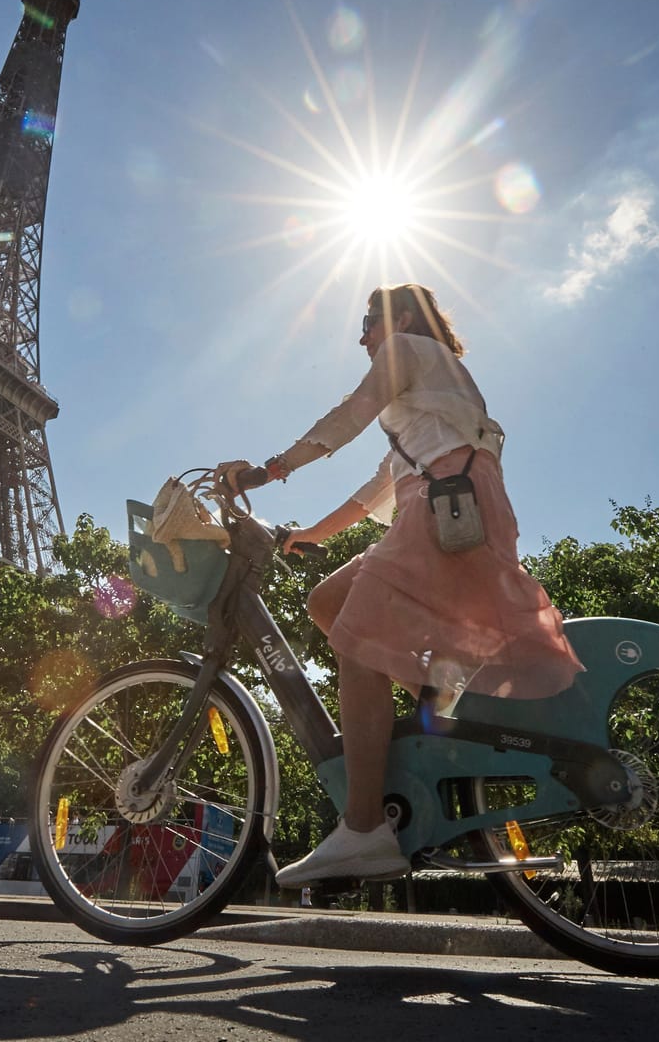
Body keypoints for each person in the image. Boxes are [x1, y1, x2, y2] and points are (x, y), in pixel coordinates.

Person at [221, 283, 585, 886]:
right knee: (327, 602)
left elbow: (351, 414)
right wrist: (312, 532)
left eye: (368, 321)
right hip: (453, 509)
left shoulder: (408, 348)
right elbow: (379, 488)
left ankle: (363, 827)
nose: (362, 336)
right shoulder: (433, 388)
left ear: (405, 317)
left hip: (444, 511)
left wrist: (269, 470)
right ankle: (432, 718)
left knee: (356, 639)